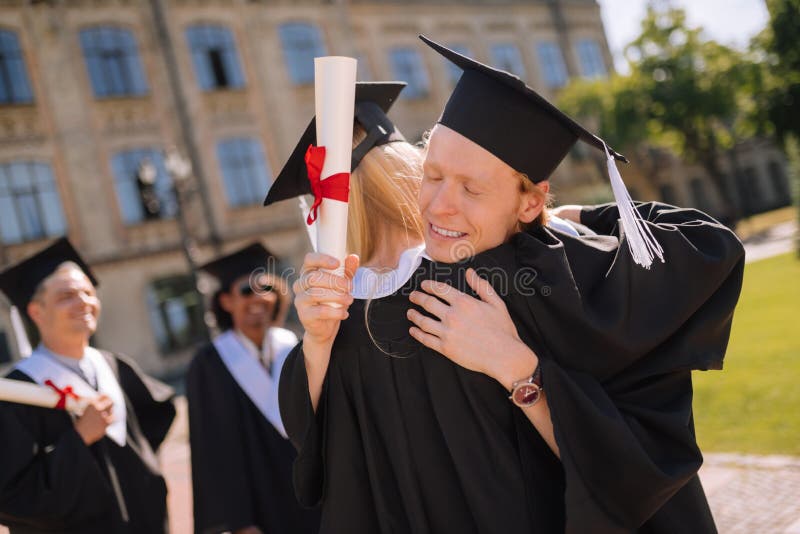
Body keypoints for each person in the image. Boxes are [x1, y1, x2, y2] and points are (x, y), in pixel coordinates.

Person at [276, 36, 746, 534]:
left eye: (472, 188)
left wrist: (521, 371)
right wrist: (318, 344)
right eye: (430, 176)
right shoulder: (538, 274)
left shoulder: (536, 280)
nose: (438, 207)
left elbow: (634, 464)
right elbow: (705, 245)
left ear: (528, 203)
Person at [0, 238, 177, 534]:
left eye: (88, 292)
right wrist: (79, 439)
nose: (83, 302)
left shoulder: (115, 367)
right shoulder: (18, 392)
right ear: (36, 312)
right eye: (66, 296)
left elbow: (157, 416)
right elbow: (14, 497)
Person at [186, 242, 319, 534]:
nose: (258, 299)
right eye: (246, 291)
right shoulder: (209, 365)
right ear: (225, 302)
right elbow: (211, 452)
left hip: (317, 503)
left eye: (268, 289)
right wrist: (240, 522)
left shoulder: (300, 350)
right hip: (258, 513)